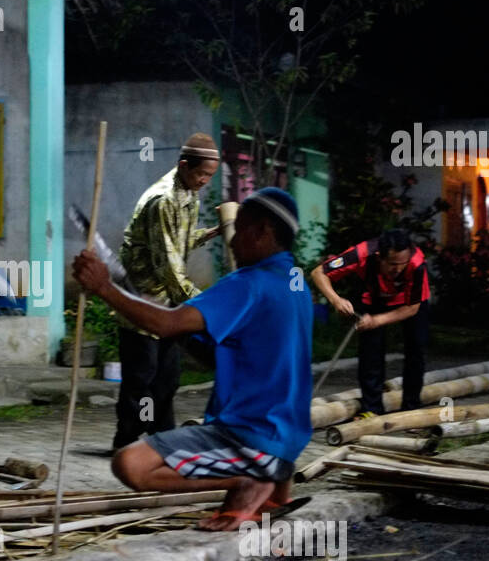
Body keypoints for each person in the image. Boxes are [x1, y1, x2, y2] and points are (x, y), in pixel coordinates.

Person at [73, 188, 312, 531]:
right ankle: (269, 478)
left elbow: (165, 323)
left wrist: (105, 289)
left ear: (263, 231)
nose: (231, 242)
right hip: (284, 438)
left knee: (130, 464)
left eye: (240, 230)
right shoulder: (295, 283)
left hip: (248, 435)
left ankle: (247, 480)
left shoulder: (249, 284)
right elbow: (216, 352)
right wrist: (180, 328)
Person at [113, 133, 221, 450]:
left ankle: (163, 441)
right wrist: (207, 307)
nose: (204, 181)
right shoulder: (162, 201)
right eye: (201, 174)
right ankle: (127, 443)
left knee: (168, 378)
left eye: (210, 176)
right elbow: (168, 267)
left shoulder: (189, 192)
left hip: (168, 305)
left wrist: (212, 232)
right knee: (140, 379)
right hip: (142, 303)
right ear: (184, 165)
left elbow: (180, 241)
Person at [309, 228, 430, 418]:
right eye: (392, 264)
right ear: (379, 256)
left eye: (402, 264)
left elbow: (411, 309)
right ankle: (372, 408)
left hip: (409, 303)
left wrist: (378, 320)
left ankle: (411, 408)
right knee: (370, 352)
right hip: (375, 298)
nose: (397, 270)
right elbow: (318, 273)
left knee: (416, 349)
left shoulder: (417, 265)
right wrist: (336, 300)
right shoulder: (360, 254)